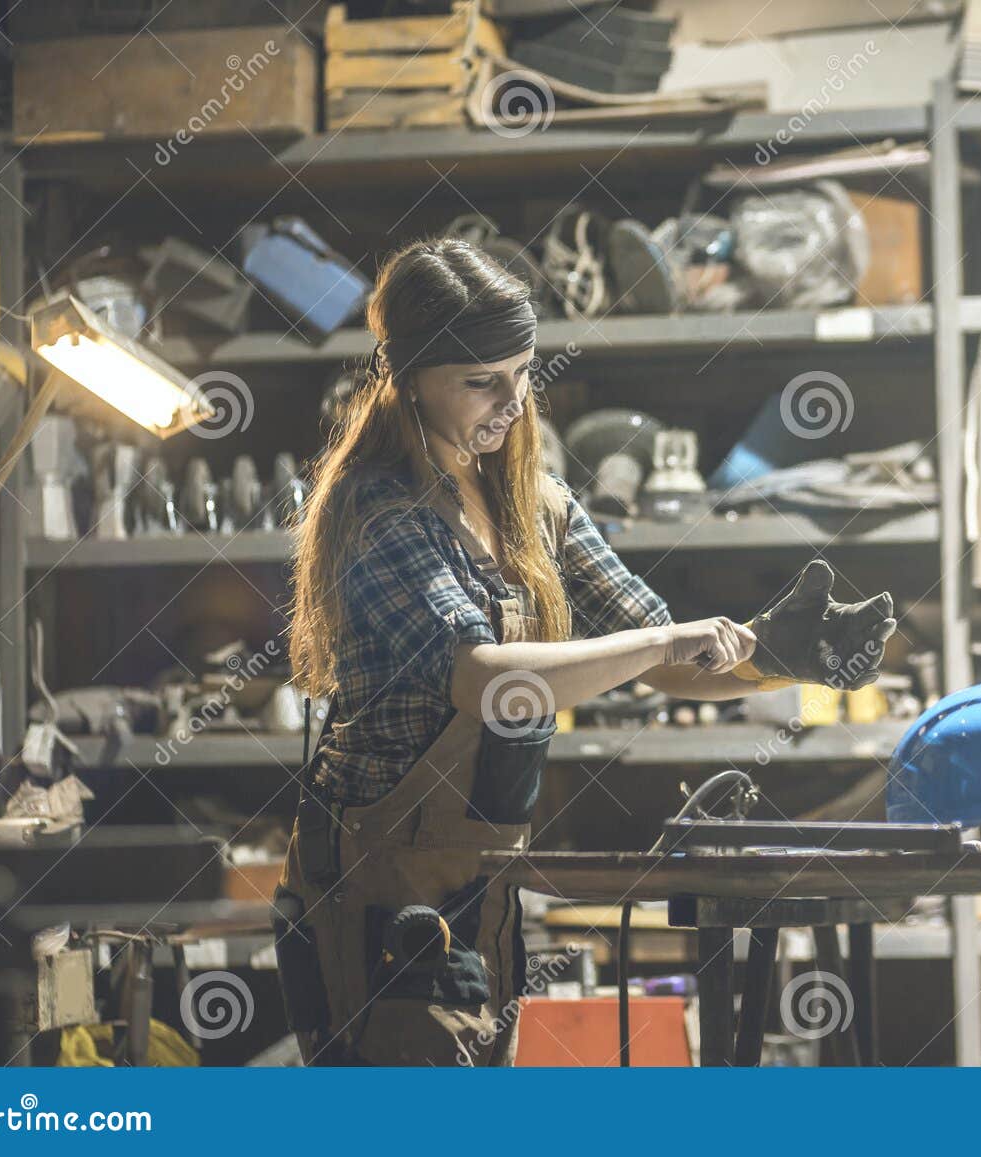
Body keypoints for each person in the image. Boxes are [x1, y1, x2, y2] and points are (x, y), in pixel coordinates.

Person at [277, 238, 894, 1066]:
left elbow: (660, 651)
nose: (512, 401)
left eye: (523, 372)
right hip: (379, 878)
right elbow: (483, 681)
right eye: (480, 381)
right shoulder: (378, 510)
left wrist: (768, 655)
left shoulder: (534, 503)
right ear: (409, 375)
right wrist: (664, 640)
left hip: (482, 875)